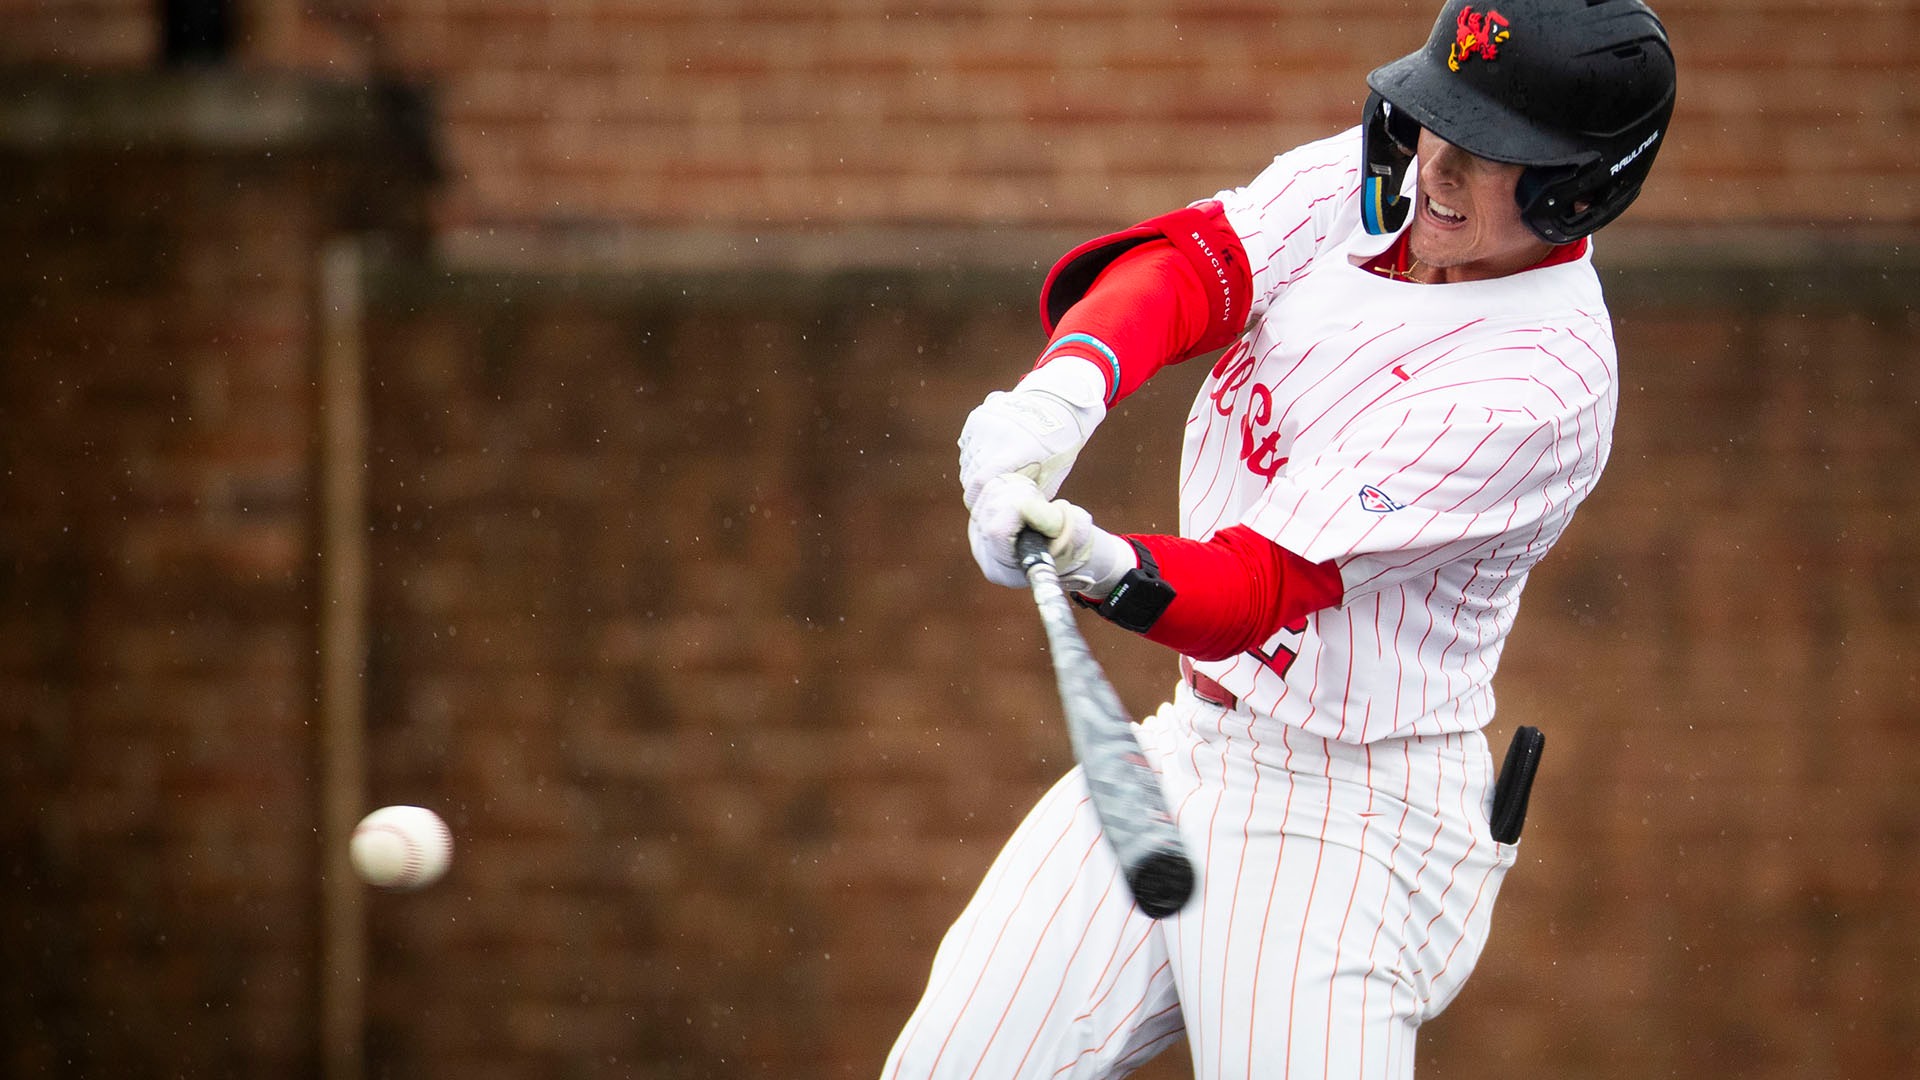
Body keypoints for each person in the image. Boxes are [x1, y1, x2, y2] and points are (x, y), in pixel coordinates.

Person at [884, 0, 1676, 1076]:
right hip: (1191, 746)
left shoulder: (1542, 384)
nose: (1435, 168)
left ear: (1582, 184)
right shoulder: (1371, 182)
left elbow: (1258, 588)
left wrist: (1092, 560)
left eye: (1488, 153)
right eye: (1436, 119)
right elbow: (1195, 268)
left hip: (1352, 811)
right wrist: (1059, 396)